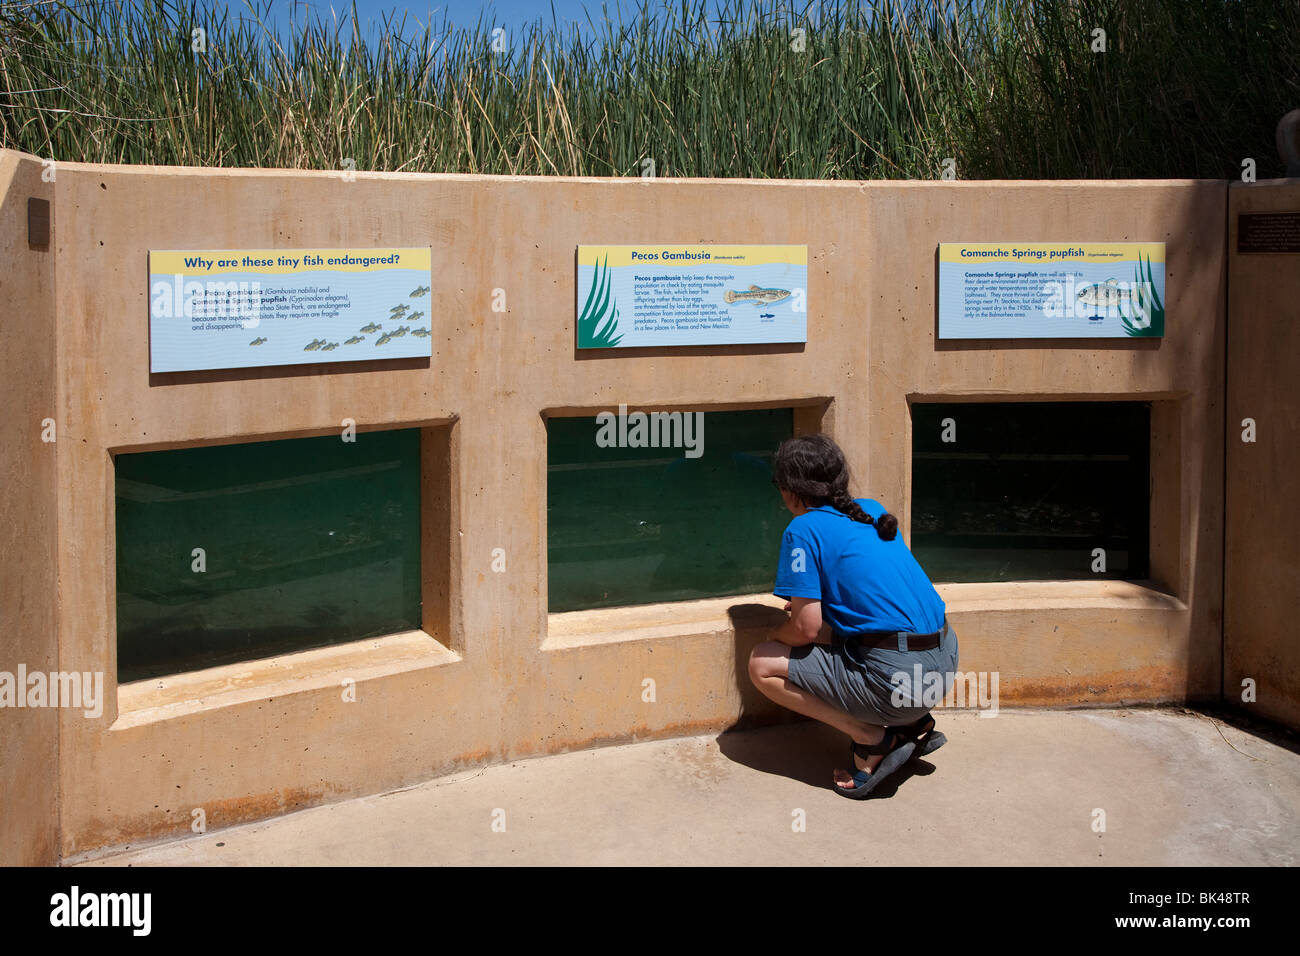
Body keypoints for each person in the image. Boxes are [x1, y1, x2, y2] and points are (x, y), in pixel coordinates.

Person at [747, 433, 959, 798]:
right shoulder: (872, 510)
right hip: (944, 664)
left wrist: (778, 635)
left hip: (897, 681)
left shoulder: (802, 529)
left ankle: (872, 740)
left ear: (789, 489)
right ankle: (913, 724)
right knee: (856, 639)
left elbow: (805, 627)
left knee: (761, 663)